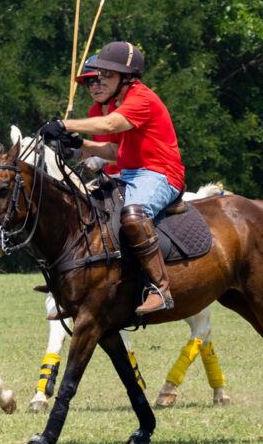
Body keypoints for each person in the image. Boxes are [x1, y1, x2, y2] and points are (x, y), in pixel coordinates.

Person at [42, 40, 185, 314]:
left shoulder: (140, 98)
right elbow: (112, 150)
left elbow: (110, 126)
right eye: (97, 75)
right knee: (91, 214)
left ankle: (161, 288)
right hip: (128, 173)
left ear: (126, 78)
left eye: (108, 74)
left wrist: (64, 124)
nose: (99, 81)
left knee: (134, 214)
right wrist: (76, 147)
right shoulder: (103, 108)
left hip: (160, 173)